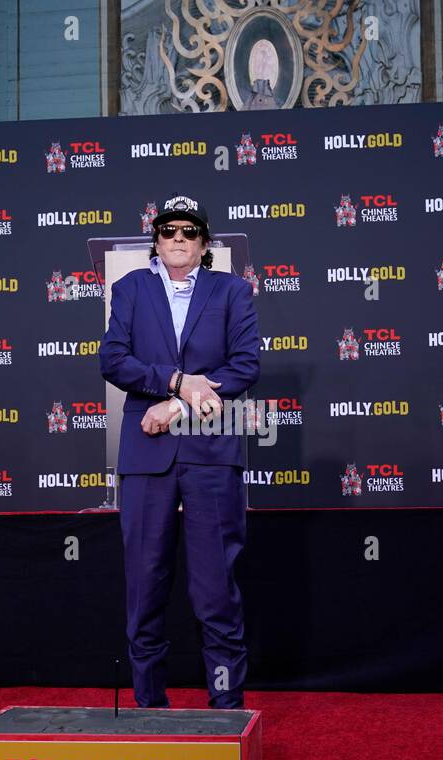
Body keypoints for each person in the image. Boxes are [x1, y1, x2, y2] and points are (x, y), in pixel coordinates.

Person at [98, 194, 260, 709]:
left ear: (205, 243)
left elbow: (244, 367)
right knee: (145, 585)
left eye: (190, 232)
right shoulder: (130, 289)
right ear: (156, 238)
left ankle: (226, 712)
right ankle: (149, 710)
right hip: (147, 455)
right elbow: (114, 359)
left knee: (215, 588)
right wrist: (175, 382)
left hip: (211, 451)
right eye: (168, 230)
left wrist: (176, 405)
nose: (178, 239)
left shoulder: (232, 290)